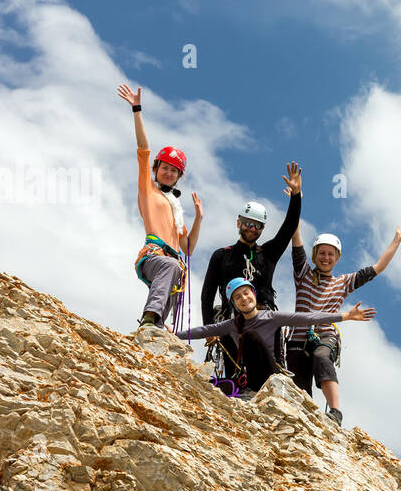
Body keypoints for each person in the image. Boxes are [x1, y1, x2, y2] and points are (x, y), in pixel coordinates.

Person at [287, 224, 401, 426]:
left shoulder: (343, 282)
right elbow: (296, 239)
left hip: (324, 335)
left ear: (337, 259)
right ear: (314, 255)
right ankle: (303, 419)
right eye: (321, 253)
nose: (325, 258)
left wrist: (396, 240)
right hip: (297, 338)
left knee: (321, 358)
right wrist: (296, 202)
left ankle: (336, 412)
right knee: (298, 382)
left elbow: (378, 268)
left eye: (330, 254)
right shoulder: (303, 274)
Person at [178, 278, 376, 398]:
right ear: (234, 304)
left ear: (253, 295)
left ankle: (252, 390)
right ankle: (248, 390)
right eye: (238, 297)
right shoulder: (232, 325)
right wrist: (173, 334)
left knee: (250, 336)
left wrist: (345, 316)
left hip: (273, 374)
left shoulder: (272, 317)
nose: (244, 299)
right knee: (245, 335)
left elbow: (307, 318)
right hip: (252, 378)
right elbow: (203, 330)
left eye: (246, 293)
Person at [199, 163, 304, 377]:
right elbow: (207, 294)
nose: (252, 229)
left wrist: (296, 195)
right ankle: (233, 381)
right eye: (248, 223)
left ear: (262, 229)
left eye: (257, 225)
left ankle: (276, 372)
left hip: (264, 315)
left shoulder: (268, 253)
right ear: (239, 222)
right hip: (231, 317)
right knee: (232, 353)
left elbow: (289, 227)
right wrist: (208, 328)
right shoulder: (222, 255)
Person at [117, 83, 203, 330]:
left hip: (174, 264)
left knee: (174, 269)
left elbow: (187, 248)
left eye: (173, 170)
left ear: (178, 176)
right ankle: (151, 315)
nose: (168, 173)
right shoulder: (149, 190)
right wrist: (137, 110)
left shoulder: (176, 208)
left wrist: (198, 219)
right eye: (164, 167)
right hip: (155, 257)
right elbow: (143, 149)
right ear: (156, 169)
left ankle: (154, 326)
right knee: (170, 266)